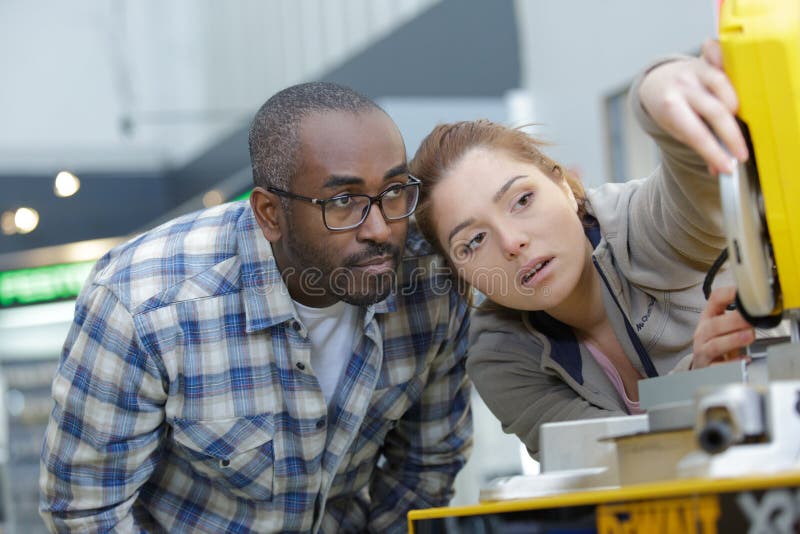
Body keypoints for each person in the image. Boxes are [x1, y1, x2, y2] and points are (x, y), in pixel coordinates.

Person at [39, 82, 472, 533]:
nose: (382, 229)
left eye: (396, 190)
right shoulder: (143, 304)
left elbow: (426, 468)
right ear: (269, 213)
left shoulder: (433, 286)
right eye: (344, 202)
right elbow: (86, 512)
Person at [408, 40, 755, 456]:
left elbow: (696, 191)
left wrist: (653, 89)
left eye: (522, 200)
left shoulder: (638, 225)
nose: (512, 242)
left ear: (563, 185)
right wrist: (696, 381)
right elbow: (605, 466)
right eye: (473, 241)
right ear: (458, 270)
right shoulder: (500, 356)